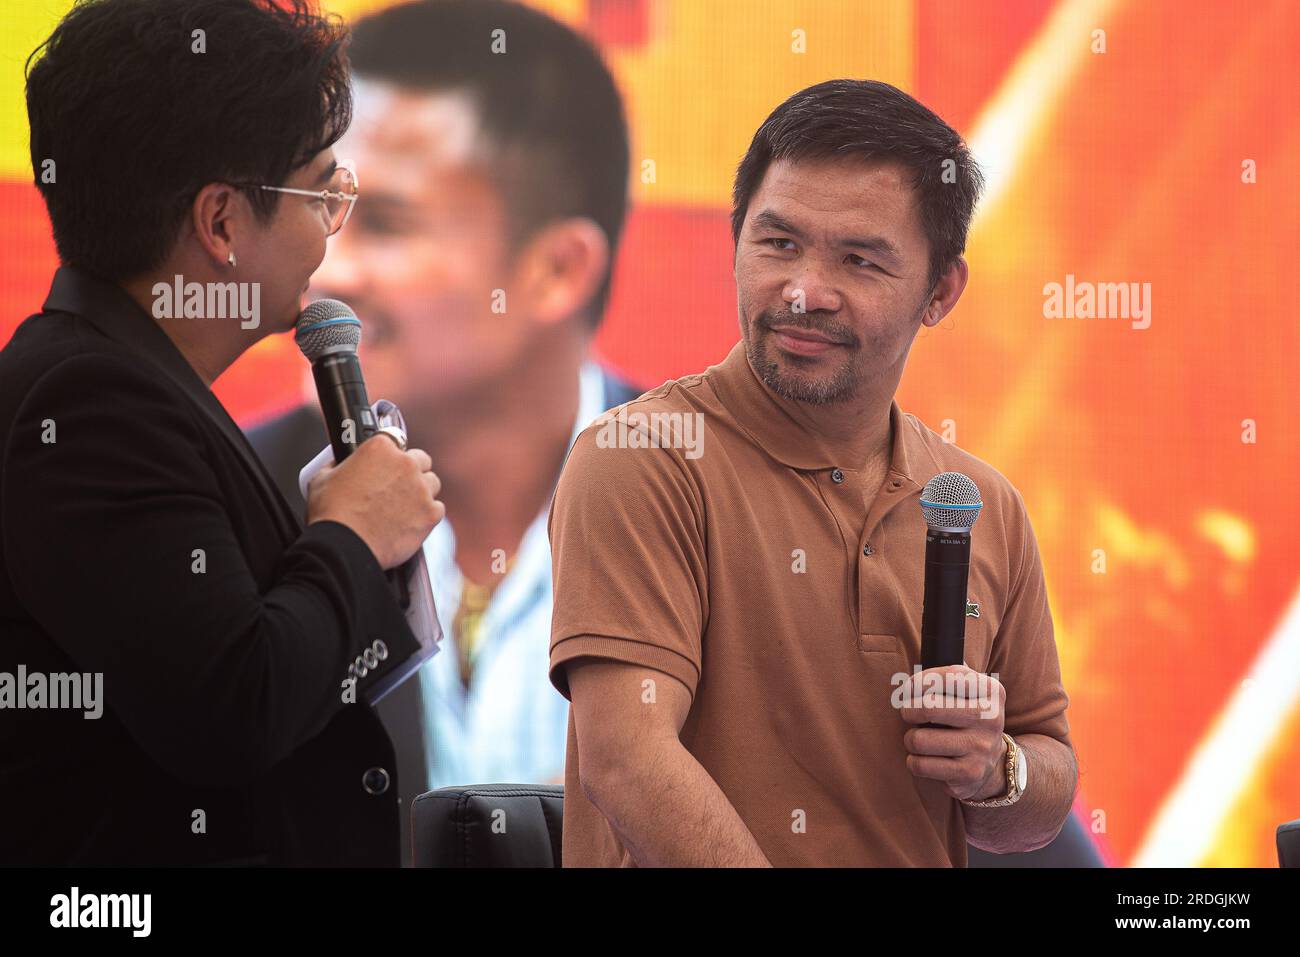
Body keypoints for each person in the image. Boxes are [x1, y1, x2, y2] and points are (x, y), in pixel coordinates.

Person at [548, 79, 1091, 866]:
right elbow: (628, 761)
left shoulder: (977, 503)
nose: (804, 291)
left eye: (859, 260)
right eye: (778, 244)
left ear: (941, 291)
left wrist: (995, 767)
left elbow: (1040, 789)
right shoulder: (644, 458)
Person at [0, 0, 442, 866]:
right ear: (222, 223)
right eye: (322, 192)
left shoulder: (124, 382)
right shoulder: (92, 404)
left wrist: (336, 543)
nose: (331, 228)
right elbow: (232, 707)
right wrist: (349, 535)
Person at [246, 0, 637, 816]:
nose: (326, 269)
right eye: (320, 209)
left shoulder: (719, 509)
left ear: (558, 270)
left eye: (384, 223)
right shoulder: (236, 503)